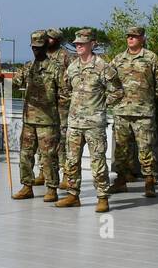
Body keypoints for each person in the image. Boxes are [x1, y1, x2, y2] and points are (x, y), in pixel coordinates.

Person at [56, 28, 122, 213]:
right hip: (74, 123)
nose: (78, 46)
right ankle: (72, 195)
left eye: (82, 43)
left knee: (98, 161)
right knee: (71, 161)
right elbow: (65, 90)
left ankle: (102, 197)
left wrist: (102, 104)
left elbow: (118, 91)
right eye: (76, 44)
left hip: (94, 124)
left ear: (92, 44)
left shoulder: (103, 66)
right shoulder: (72, 67)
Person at [109, 25, 158, 198]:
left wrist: (149, 97)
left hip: (143, 113)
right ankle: (120, 181)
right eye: (129, 36)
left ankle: (149, 182)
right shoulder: (118, 59)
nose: (131, 39)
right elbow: (108, 79)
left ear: (142, 38)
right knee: (121, 149)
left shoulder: (151, 58)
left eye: (134, 36)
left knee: (146, 149)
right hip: (121, 111)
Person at [11, 30, 64, 202]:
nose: (36, 51)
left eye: (39, 47)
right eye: (33, 47)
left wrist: (60, 115)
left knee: (48, 156)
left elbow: (65, 94)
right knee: (25, 154)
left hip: (48, 121)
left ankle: (52, 188)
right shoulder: (28, 67)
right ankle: (27, 186)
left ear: (46, 46)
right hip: (29, 120)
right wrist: (1, 79)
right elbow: (15, 83)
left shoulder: (56, 69)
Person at [38, 27, 71, 184]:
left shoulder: (65, 56)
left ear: (57, 40)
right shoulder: (41, 54)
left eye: (50, 38)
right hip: (44, 105)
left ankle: (66, 173)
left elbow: (70, 79)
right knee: (43, 139)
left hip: (61, 105)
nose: (47, 40)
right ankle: (43, 172)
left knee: (62, 139)